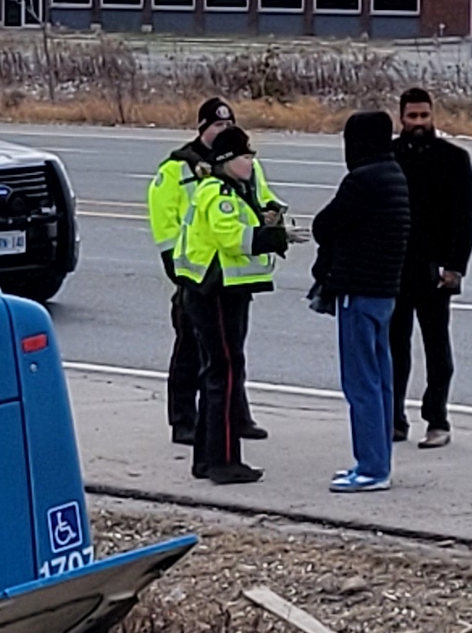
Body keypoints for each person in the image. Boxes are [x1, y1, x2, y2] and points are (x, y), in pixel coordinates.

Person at [170, 127, 285, 484]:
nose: (250, 162)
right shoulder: (217, 193)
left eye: (251, 156)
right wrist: (273, 237)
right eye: (243, 157)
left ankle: (205, 459)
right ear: (225, 161)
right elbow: (231, 237)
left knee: (217, 372)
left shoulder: (234, 190)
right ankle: (223, 461)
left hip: (222, 290)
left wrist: (270, 220)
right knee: (224, 373)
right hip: (214, 292)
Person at [306, 108, 412, 492]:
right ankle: (377, 460)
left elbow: (324, 224)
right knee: (382, 379)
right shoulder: (394, 175)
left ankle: (370, 467)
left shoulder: (362, 181)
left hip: (358, 289)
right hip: (385, 289)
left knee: (360, 381)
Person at [148, 99, 260, 448]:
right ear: (202, 128)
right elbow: (163, 219)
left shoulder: (240, 163)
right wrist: (176, 267)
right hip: (194, 273)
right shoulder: (178, 168)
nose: (223, 131)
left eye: (229, 126)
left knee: (231, 352)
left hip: (232, 274)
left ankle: (236, 417)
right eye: (216, 126)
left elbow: (261, 200)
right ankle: (183, 420)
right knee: (189, 349)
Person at [387, 86, 472, 449]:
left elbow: (464, 217)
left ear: (432, 116)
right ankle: (393, 419)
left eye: (425, 116)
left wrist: (455, 266)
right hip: (395, 269)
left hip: (436, 270)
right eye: (413, 116)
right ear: (402, 118)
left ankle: (437, 419)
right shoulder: (388, 157)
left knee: (438, 349)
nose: (419, 122)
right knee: (394, 349)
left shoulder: (453, 158)